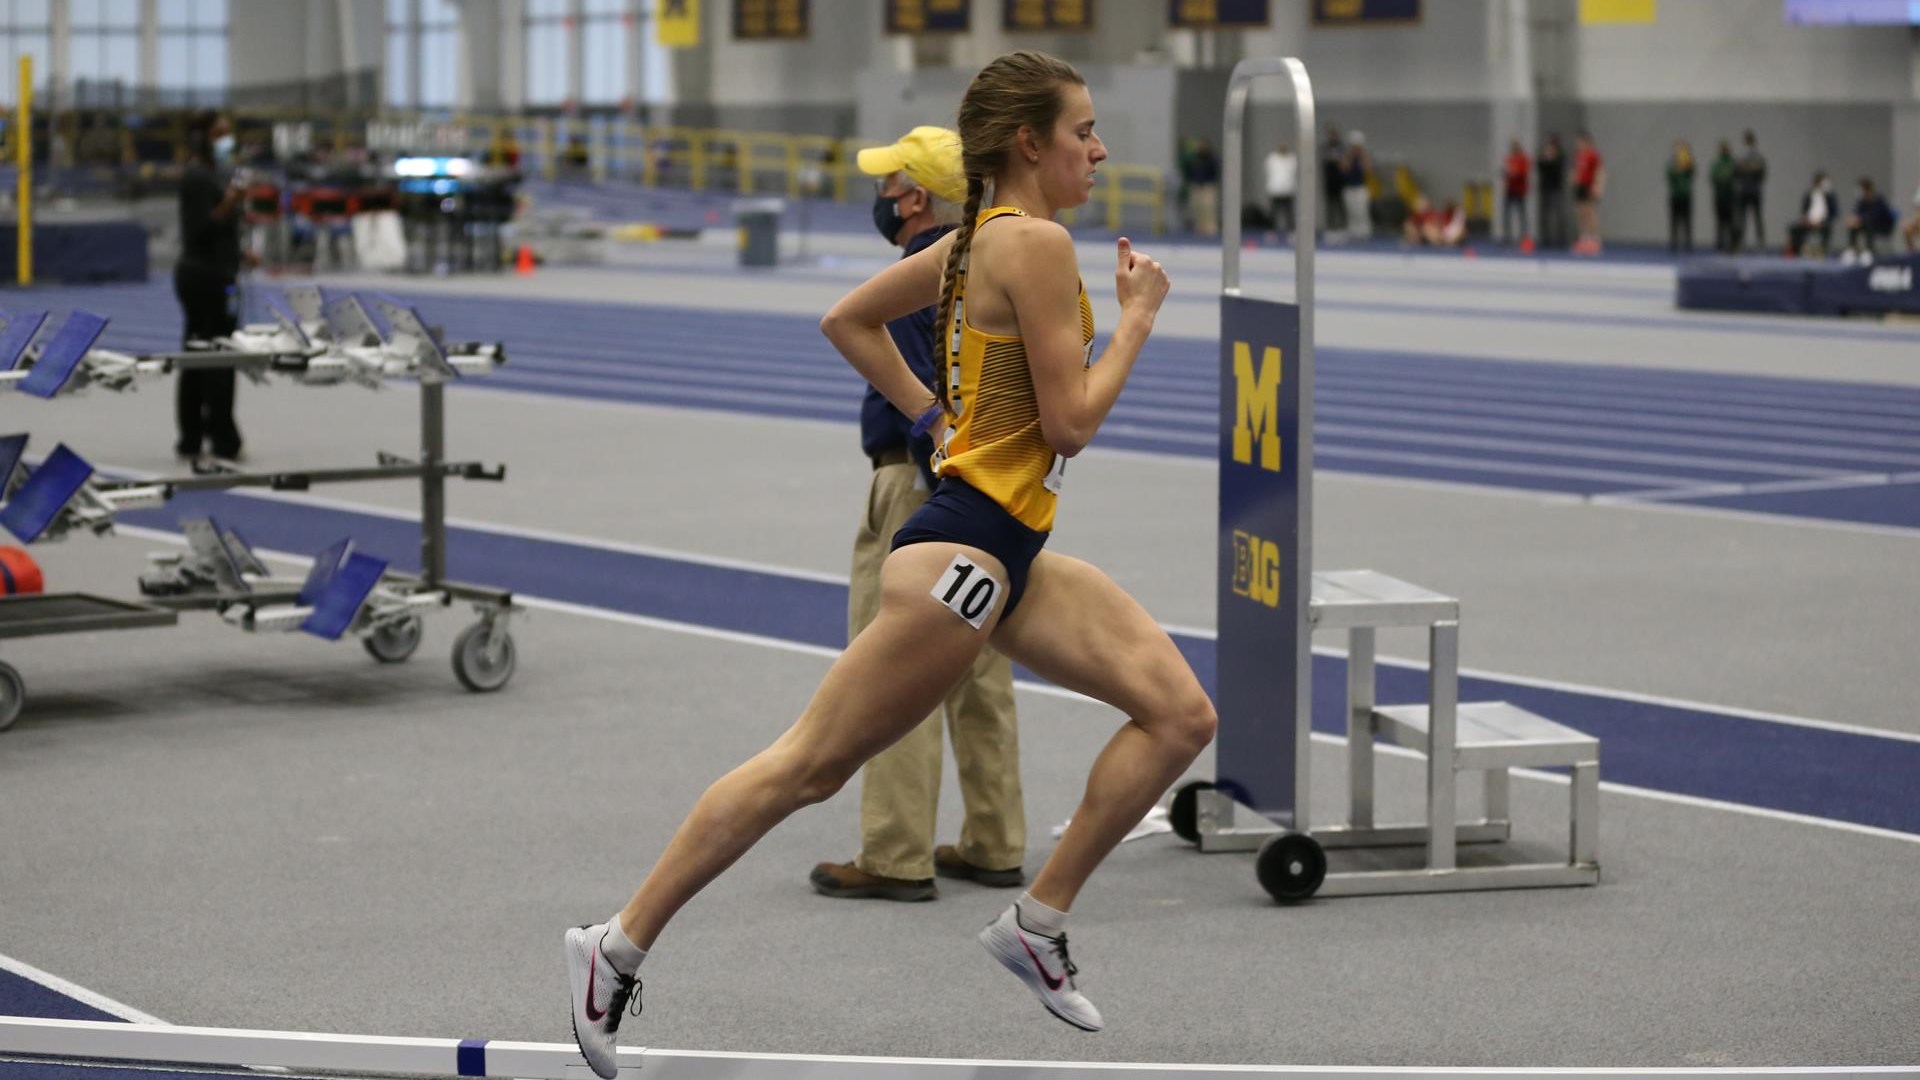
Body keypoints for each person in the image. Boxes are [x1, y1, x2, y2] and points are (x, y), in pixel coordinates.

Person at [564, 51, 1209, 1077]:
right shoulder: (1031, 244)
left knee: (1180, 714)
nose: (1099, 147)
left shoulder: (969, 245)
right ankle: (616, 943)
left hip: (1007, 548)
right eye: (1083, 129)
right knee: (810, 766)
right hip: (962, 556)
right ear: (1028, 143)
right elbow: (1072, 423)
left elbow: (847, 319)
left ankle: (1036, 922)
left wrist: (928, 414)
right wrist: (1136, 319)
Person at [809, 125, 1027, 904]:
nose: (882, 195)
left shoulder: (918, 271)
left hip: (916, 486)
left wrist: (934, 435)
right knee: (980, 667)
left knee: (892, 671)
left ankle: (897, 853)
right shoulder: (994, 264)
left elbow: (915, 376)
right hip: (991, 495)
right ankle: (995, 839)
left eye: (890, 181)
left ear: (918, 198)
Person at [174, 110, 247, 464]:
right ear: (202, 137)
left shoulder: (209, 176)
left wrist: (240, 252)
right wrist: (232, 201)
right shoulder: (198, 178)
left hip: (213, 272)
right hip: (205, 278)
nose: (226, 140)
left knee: (198, 355)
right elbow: (200, 229)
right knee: (217, 357)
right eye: (219, 133)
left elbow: (215, 231)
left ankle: (192, 436)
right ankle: (220, 436)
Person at [1840, 177, 1896, 264]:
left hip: (1882, 226)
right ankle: (1852, 250)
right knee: (1853, 226)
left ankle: (1869, 251)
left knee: (1868, 223)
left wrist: (1860, 219)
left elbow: (1876, 216)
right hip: (1865, 224)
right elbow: (1856, 213)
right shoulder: (1861, 201)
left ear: (1866, 189)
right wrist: (1852, 219)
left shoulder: (1879, 200)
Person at [1787, 171, 1837, 258]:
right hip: (1809, 222)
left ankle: (1822, 252)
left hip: (1823, 223)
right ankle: (1795, 252)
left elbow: (1834, 213)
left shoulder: (1830, 196)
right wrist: (1805, 219)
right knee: (1794, 227)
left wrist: (1822, 222)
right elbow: (1803, 210)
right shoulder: (1809, 194)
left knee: (1827, 229)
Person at [1571, 130, 1605, 255]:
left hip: (1589, 186)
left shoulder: (1593, 155)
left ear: (1586, 142)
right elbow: (1577, 170)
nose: (1578, 144)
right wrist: (1573, 178)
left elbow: (1600, 171)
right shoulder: (1579, 156)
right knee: (1580, 213)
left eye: (1580, 142)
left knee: (1590, 213)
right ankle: (1584, 239)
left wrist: (1598, 186)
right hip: (1579, 186)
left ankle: (1595, 240)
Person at [1735, 129, 1767, 252]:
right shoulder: (1741, 156)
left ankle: (1761, 242)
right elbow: (1737, 171)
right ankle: (1740, 242)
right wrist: (1748, 168)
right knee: (1741, 218)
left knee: (1758, 217)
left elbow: (1761, 172)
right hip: (1744, 190)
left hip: (1754, 190)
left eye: (1749, 141)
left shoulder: (1758, 156)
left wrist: (1748, 168)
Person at [1536, 133, 1567, 250]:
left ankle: (1561, 238)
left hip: (1556, 189)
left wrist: (1551, 159)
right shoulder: (1543, 154)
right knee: (1544, 214)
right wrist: (1546, 158)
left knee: (1559, 214)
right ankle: (1545, 238)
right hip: (1545, 188)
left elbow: (1556, 169)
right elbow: (1540, 166)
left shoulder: (1561, 156)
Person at [1186, 138, 1220, 237]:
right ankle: (1199, 226)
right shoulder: (1195, 158)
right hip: (1197, 185)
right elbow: (1189, 170)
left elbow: (1215, 171)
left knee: (1208, 207)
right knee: (1197, 207)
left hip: (1207, 186)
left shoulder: (1212, 159)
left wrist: (1210, 181)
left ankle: (1210, 227)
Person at [1665, 140, 1695, 254]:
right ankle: (1674, 243)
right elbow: (1670, 173)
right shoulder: (1671, 163)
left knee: (1687, 221)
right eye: (1677, 149)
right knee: (1674, 221)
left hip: (1686, 195)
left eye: (1681, 149)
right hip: (1675, 195)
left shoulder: (1688, 162)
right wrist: (1679, 167)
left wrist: (1686, 164)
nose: (1679, 151)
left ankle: (1688, 243)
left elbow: (1692, 171)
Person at [1341, 130, 1372, 240]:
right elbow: (1343, 168)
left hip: (1360, 187)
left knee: (1362, 211)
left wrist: (1361, 156)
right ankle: (1353, 230)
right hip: (1349, 187)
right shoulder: (1347, 155)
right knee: (1351, 211)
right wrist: (1349, 156)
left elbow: (1367, 169)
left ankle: (1364, 231)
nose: (1355, 149)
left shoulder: (1364, 156)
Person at [1264, 141, 1298, 235]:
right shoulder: (1272, 159)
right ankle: (1271, 231)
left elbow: (1293, 172)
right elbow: (1270, 172)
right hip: (1275, 189)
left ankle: (1291, 231)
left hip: (1288, 189)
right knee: (1274, 212)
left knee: (1289, 212)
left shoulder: (1292, 159)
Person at [1710, 140, 1738, 253]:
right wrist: (1723, 178)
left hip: (1730, 196)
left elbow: (1730, 175)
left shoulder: (1731, 162)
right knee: (1720, 221)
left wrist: (1723, 178)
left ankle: (1731, 244)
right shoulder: (1717, 163)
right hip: (1719, 195)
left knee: (1730, 222)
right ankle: (1719, 243)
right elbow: (1714, 176)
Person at [1501, 138, 1530, 247]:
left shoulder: (1523, 159)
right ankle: (1506, 236)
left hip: (1519, 190)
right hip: (1510, 189)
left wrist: (1512, 174)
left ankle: (1523, 236)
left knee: (1521, 213)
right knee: (1506, 214)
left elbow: (1521, 173)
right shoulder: (1509, 159)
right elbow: (1507, 173)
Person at [1321, 125, 1347, 233]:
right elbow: (1324, 162)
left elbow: (1344, 163)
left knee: (1340, 204)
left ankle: (1342, 227)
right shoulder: (1325, 147)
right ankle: (1330, 227)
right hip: (1329, 181)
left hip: (1340, 181)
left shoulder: (1342, 147)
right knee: (1330, 205)